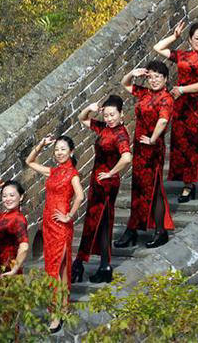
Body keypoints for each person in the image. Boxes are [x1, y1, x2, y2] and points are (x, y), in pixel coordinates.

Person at [153, 21, 198, 203]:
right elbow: (158, 47)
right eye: (196, 38)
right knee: (183, 146)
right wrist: (174, 37)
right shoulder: (182, 55)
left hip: (197, 106)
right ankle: (188, 185)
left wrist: (183, 89)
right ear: (190, 39)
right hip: (180, 107)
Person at [25, 135, 84, 333]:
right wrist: (41, 144)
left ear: (71, 152)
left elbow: (80, 195)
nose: (59, 152)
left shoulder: (72, 173)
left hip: (60, 225)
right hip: (48, 224)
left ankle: (56, 314)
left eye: (63, 149)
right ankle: (64, 307)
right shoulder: (53, 171)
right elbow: (29, 162)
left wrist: (69, 215)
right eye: (57, 149)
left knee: (54, 270)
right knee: (60, 270)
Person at [72, 95, 132, 284]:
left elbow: (127, 158)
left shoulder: (120, 134)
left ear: (121, 114)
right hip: (97, 182)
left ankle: (101, 265)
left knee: (102, 222)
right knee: (94, 220)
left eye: (112, 115)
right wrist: (90, 108)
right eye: (106, 115)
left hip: (106, 184)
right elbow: (81, 119)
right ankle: (87, 262)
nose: (109, 118)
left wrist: (111, 173)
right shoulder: (104, 128)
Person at [115, 61, 174, 249]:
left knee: (155, 189)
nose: (155, 80)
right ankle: (133, 229)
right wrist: (133, 73)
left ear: (165, 79)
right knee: (138, 187)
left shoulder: (166, 98)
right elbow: (124, 84)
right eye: (152, 76)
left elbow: (163, 121)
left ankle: (160, 231)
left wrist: (153, 138)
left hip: (153, 149)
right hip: (140, 148)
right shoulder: (144, 93)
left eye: (159, 77)